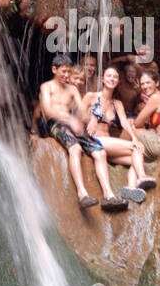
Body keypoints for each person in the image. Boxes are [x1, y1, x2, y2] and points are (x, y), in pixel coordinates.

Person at [39, 56, 128, 212]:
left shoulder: (72, 89)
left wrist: (92, 119)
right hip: (56, 124)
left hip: (73, 124)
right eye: (63, 72)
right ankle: (82, 194)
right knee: (75, 149)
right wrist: (70, 119)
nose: (66, 76)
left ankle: (109, 195)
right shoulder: (46, 87)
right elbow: (48, 111)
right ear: (54, 70)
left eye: (68, 72)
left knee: (99, 151)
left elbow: (82, 112)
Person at [80, 65, 157, 202]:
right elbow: (78, 117)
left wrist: (134, 138)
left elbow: (125, 123)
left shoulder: (117, 103)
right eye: (109, 76)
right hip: (94, 140)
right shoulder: (91, 97)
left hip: (109, 144)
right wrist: (91, 118)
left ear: (118, 81)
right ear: (103, 79)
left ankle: (131, 189)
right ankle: (142, 177)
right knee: (135, 150)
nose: (112, 79)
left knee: (137, 154)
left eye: (115, 77)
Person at [132, 67, 160, 162]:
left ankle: (115, 149)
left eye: (148, 82)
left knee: (130, 127)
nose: (145, 86)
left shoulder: (155, 98)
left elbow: (137, 124)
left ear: (157, 83)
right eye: (142, 84)